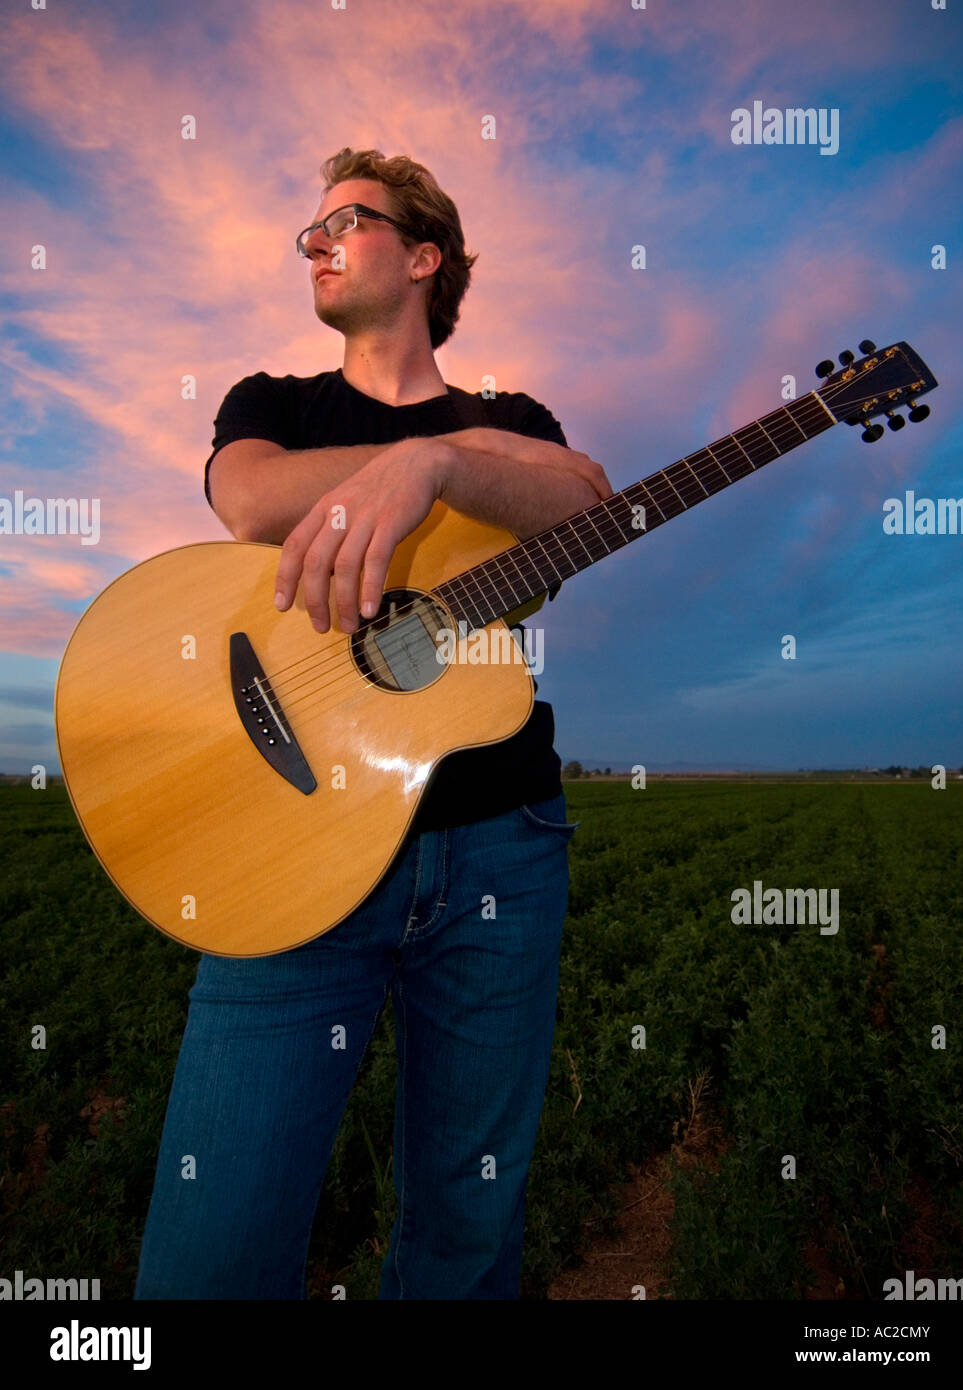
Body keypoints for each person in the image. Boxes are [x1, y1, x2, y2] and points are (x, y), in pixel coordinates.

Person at [133, 146, 612, 1301]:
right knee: (214, 1249)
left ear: (423, 255)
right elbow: (249, 497)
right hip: (290, 840)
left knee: (463, 1232)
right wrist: (426, 468)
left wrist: (438, 459)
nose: (316, 242)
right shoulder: (273, 407)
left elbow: (587, 504)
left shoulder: (508, 420)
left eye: (346, 221)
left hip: (500, 841)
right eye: (309, 230)